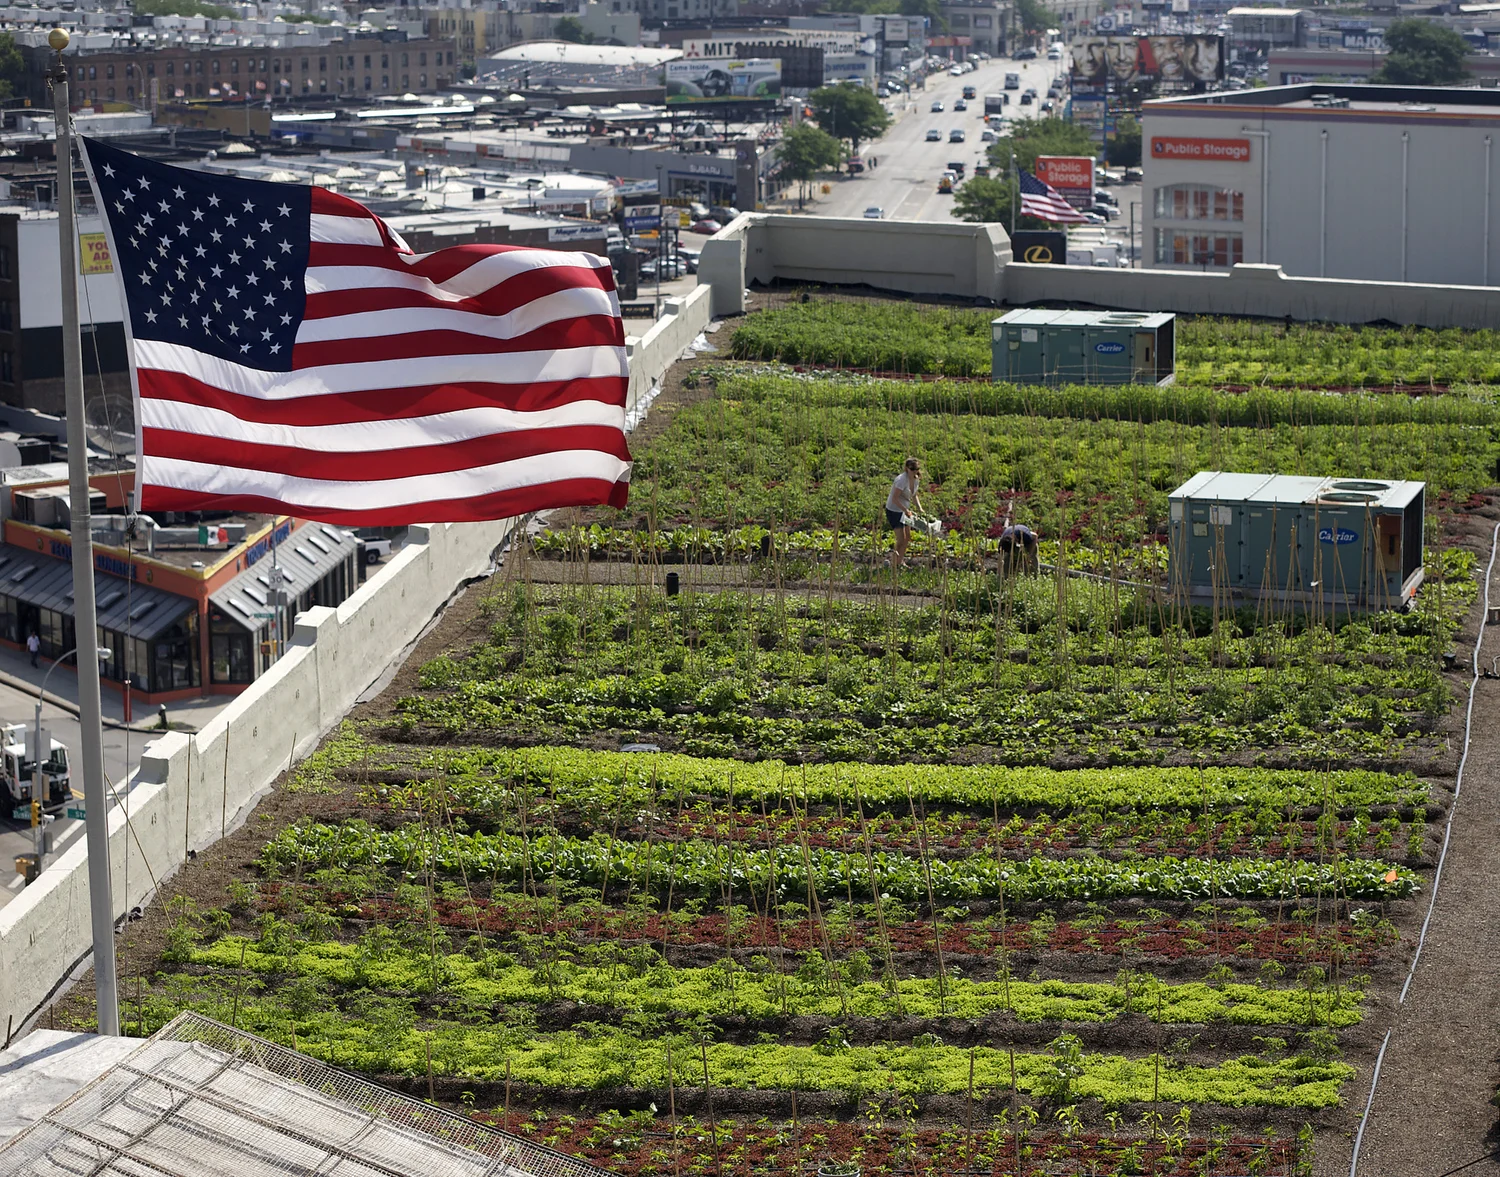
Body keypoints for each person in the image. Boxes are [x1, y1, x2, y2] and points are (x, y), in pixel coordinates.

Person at [886, 458, 923, 572]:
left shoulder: (916, 479)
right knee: (901, 539)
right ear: (907, 468)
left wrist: (920, 508)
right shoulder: (901, 480)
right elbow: (895, 498)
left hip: (904, 510)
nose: (915, 471)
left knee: (907, 537)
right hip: (894, 510)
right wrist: (905, 510)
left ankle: (900, 562)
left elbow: (914, 495)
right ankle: (893, 564)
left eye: (917, 469)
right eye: (912, 469)